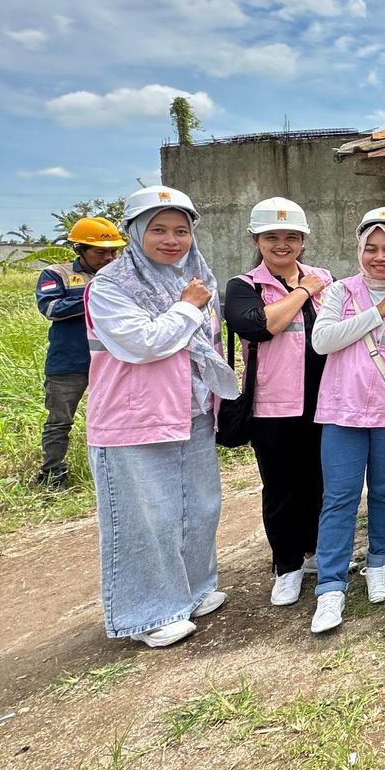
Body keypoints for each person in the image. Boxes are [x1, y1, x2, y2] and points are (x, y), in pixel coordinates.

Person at [84, 186, 240, 648]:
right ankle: (147, 613)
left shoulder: (191, 279)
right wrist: (188, 307)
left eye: (181, 230)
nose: (171, 240)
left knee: (197, 506)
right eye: (158, 230)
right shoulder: (111, 286)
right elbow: (144, 343)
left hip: (188, 410)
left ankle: (192, 591)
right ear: (134, 233)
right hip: (133, 418)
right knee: (144, 517)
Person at [308, 207, 385, 634]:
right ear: (360, 250)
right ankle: (331, 587)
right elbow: (322, 341)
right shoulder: (342, 291)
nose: (380, 257)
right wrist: (377, 311)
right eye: (372, 248)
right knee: (338, 498)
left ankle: (379, 564)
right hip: (342, 411)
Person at [223, 198, 332, 608]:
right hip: (273, 407)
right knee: (282, 487)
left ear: (303, 240)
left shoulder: (326, 278)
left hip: (323, 401)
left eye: (291, 237)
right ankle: (286, 566)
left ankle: (319, 552)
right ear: (257, 240)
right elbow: (258, 327)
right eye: (272, 237)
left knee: (321, 481)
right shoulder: (244, 286)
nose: (282, 245)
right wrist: (303, 290)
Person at [34, 217, 126, 488]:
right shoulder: (56, 274)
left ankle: (117, 470)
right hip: (69, 361)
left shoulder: (121, 276)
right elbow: (51, 309)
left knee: (117, 416)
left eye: (113, 251)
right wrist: (93, 294)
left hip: (112, 361)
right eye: (101, 252)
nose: (109, 257)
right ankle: (52, 473)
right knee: (60, 420)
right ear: (79, 249)